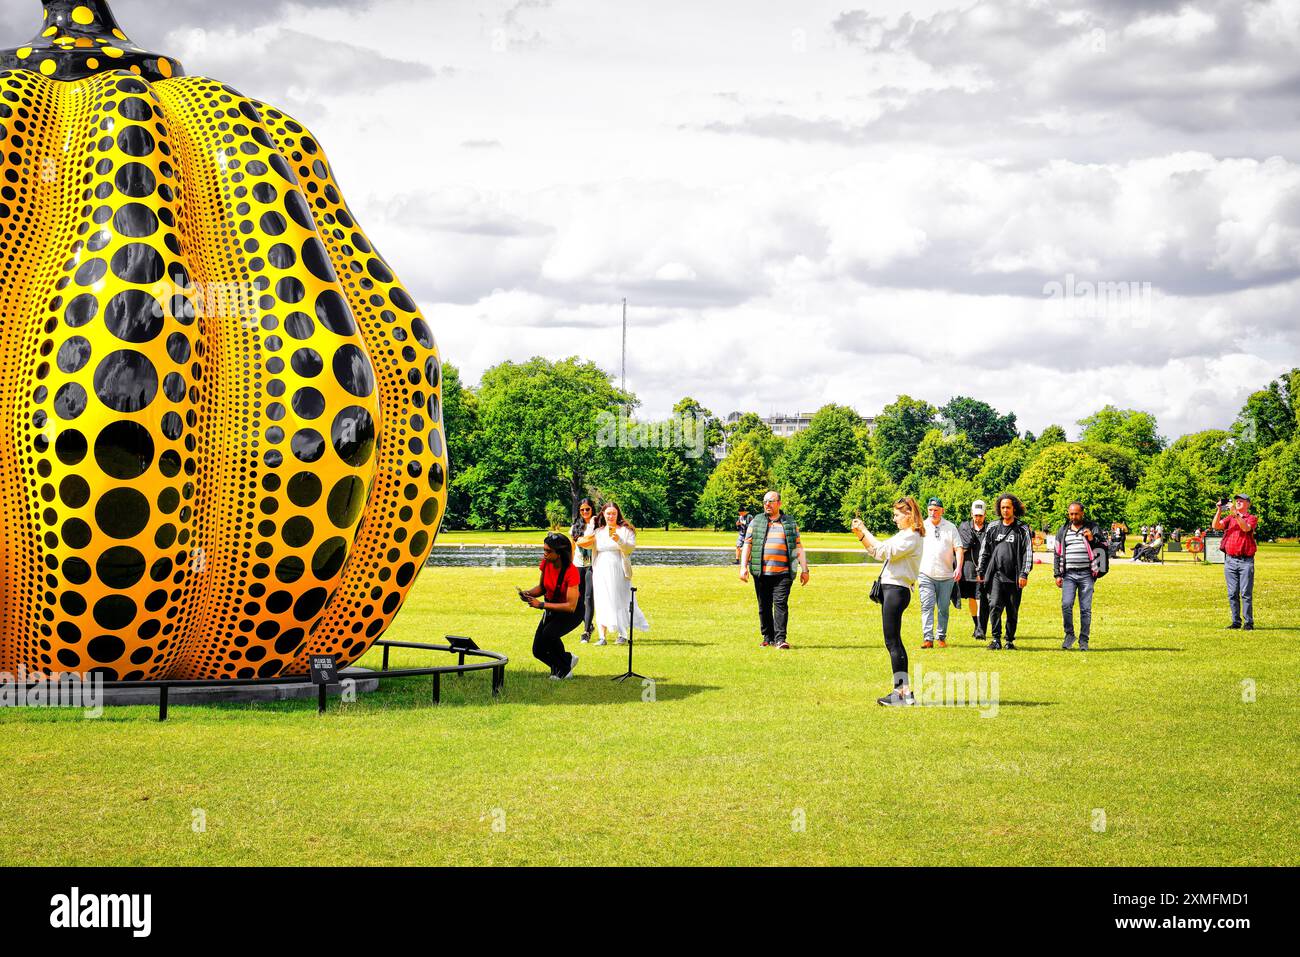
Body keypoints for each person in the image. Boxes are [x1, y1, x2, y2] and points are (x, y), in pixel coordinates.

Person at [852, 497, 924, 706]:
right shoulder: (904, 534)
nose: (894, 519)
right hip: (892, 589)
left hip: (897, 590)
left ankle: (901, 693)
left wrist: (864, 530)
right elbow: (876, 551)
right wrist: (861, 536)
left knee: (892, 642)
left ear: (909, 515)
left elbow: (884, 551)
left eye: (897, 515)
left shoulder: (912, 536)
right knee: (893, 641)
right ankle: (904, 692)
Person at [739, 490, 809, 650]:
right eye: (765, 501)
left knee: (780, 604)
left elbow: (798, 547)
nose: (767, 504)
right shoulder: (756, 522)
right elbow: (747, 545)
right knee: (764, 605)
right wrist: (743, 567)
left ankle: (780, 639)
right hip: (761, 572)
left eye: (771, 501)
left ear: (779, 503)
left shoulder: (790, 523)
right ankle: (767, 637)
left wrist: (805, 569)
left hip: (783, 573)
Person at [518, 532, 581, 680]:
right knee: (538, 651)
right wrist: (529, 594)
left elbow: (571, 606)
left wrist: (541, 605)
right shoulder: (546, 563)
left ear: (559, 554)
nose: (544, 553)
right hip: (552, 608)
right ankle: (566, 661)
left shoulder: (571, 572)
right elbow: (542, 587)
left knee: (549, 634)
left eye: (548, 551)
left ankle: (563, 671)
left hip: (572, 612)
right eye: (544, 549)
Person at [976, 493, 1033, 650]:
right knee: (994, 605)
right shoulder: (993, 527)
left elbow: (1027, 552)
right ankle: (996, 639)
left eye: (1008, 507)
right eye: (1002, 507)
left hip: (1015, 577)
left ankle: (1009, 640)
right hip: (996, 575)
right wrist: (981, 570)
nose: (1005, 510)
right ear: (999, 509)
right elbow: (984, 550)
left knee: (1012, 609)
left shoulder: (1022, 529)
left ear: (1014, 508)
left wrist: (1024, 573)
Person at [587, 502, 648, 645]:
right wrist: (591, 524)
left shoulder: (625, 530)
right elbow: (586, 542)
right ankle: (602, 636)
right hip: (601, 568)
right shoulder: (598, 532)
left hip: (618, 568)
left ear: (618, 514)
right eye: (608, 513)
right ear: (603, 514)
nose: (611, 516)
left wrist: (618, 540)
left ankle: (622, 633)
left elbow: (629, 549)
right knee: (602, 599)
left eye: (613, 513)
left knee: (620, 599)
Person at [1054, 502, 1104, 651]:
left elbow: (1104, 547)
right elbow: (1057, 553)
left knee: (1085, 609)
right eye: (1071, 514)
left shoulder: (1093, 528)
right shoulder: (1063, 530)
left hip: (1087, 574)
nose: (1073, 517)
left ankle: (1084, 640)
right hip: (1068, 574)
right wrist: (1057, 574)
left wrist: (1092, 539)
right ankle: (1069, 634)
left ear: (1082, 513)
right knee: (1066, 605)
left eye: (1076, 514)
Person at [917, 496, 961, 649]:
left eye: (936, 510)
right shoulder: (921, 526)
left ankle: (941, 637)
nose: (933, 513)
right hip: (925, 574)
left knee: (943, 608)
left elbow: (958, 548)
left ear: (942, 511)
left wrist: (959, 567)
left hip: (946, 575)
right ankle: (927, 638)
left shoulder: (951, 527)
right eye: (930, 510)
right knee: (926, 606)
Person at [1213, 494, 1258, 631]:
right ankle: (1235, 622)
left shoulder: (1251, 518)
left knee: (1245, 593)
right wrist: (1219, 510)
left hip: (1245, 561)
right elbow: (1216, 526)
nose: (1238, 502)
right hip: (1230, 560)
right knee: (1232, 593)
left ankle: (1248, 623)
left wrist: (1236, 513)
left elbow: (1245, 528)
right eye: (1237, 501)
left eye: (1241, 501)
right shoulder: (1230, 518)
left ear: (1248, 504)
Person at [957, 500, 991, 640]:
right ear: (971, 514)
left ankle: (980, 628)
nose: (978, 518)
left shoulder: (990, 528)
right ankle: (977, 626)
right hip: (968, 570)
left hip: (984, 571)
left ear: (985, 515)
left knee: (981, 598)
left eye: (981, 516)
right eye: (975, 515)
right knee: (972, 598)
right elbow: (964, 545)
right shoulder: (964, 526)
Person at [570, 499, 597, 643]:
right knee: (578, 600)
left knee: (588, 598)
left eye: (587, 509)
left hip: (592, 564)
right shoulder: (575, 526)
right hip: (578, 564)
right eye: (582, 510)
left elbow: (590, 541)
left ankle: (586, 632)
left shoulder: (598, 525)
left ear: (592, 509)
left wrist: (584, 538)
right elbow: (574, 547)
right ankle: (589, 624)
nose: (585, 512)